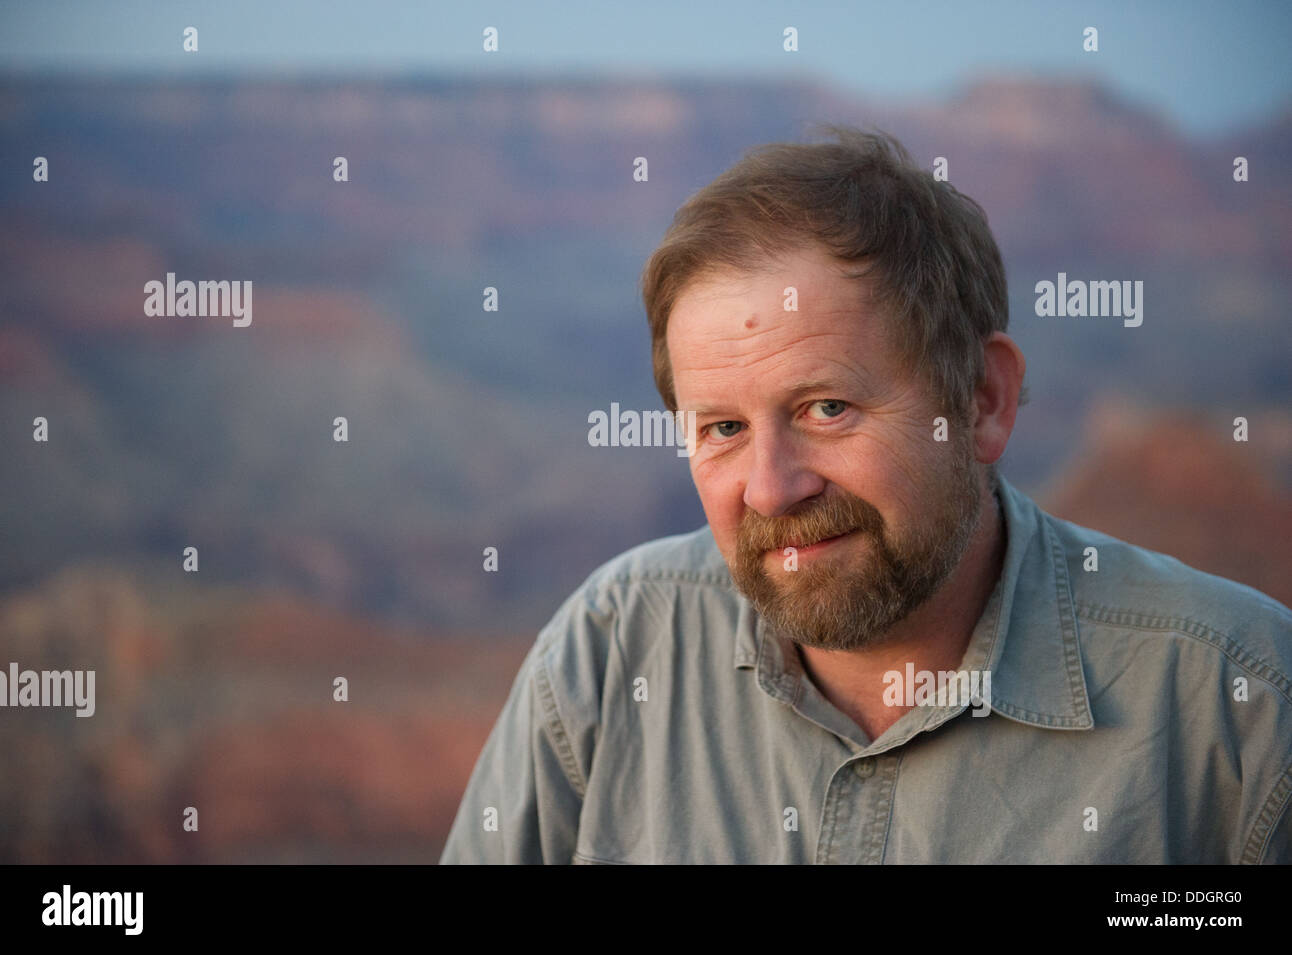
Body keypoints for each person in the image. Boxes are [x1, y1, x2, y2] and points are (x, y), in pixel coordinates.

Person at [439, 125, 1292, 864]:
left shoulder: (1240, 709)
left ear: (981, 399)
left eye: (828, 408)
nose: (772, 489)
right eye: (722, 429)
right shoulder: (609, 651)